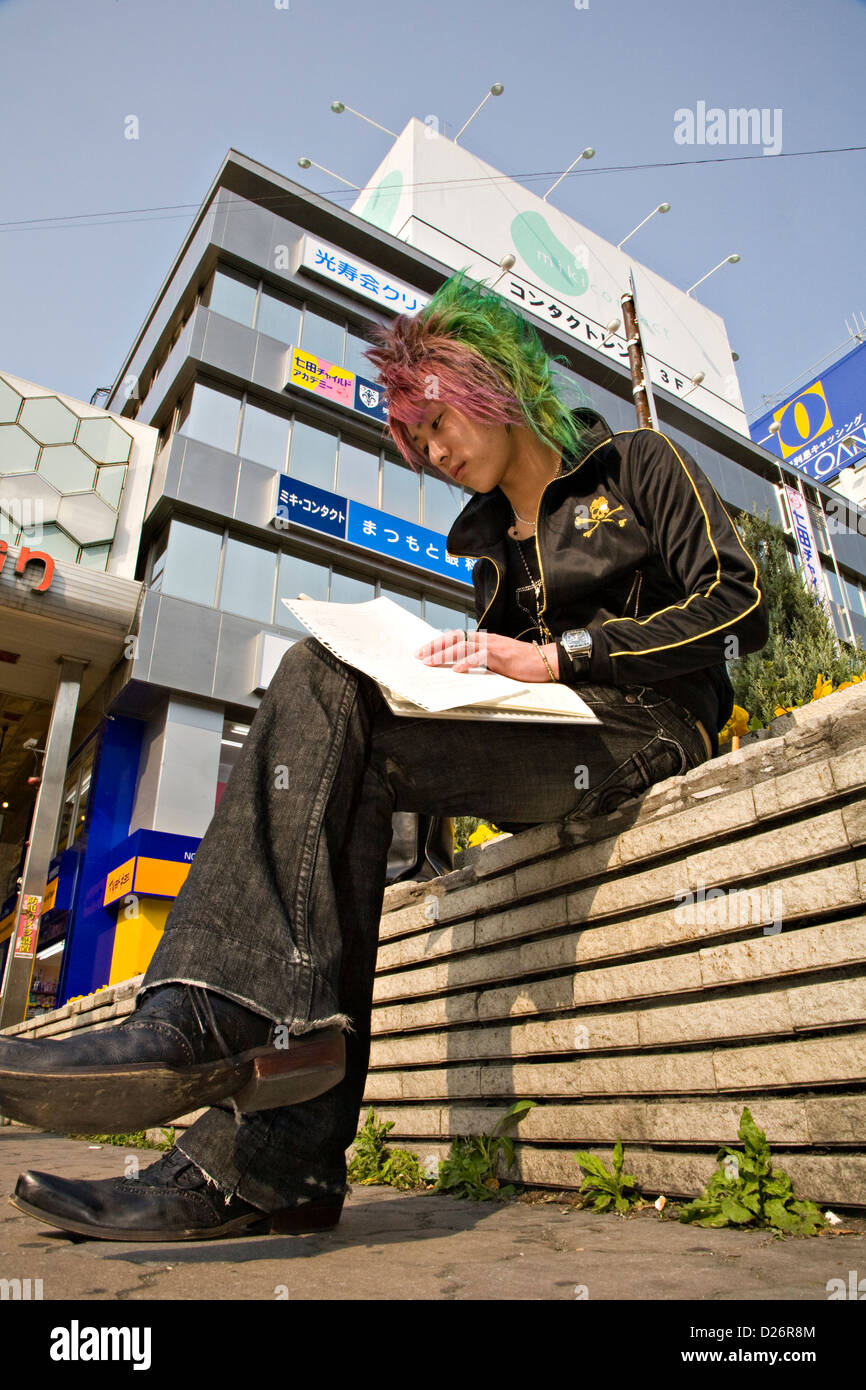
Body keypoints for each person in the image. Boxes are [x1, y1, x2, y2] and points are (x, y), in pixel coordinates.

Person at [0, 269, 769, 1242]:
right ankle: (266, 1163)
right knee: (324, 676)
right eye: (416, 444)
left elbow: (739, 605)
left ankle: (226, 1039)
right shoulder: (493, 547)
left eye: (437, 427)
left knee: (340, 706)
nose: (432, 454)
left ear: (490, 383)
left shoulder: (638, 464)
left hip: (642, 728)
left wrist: (563, 653)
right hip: (544, 744)